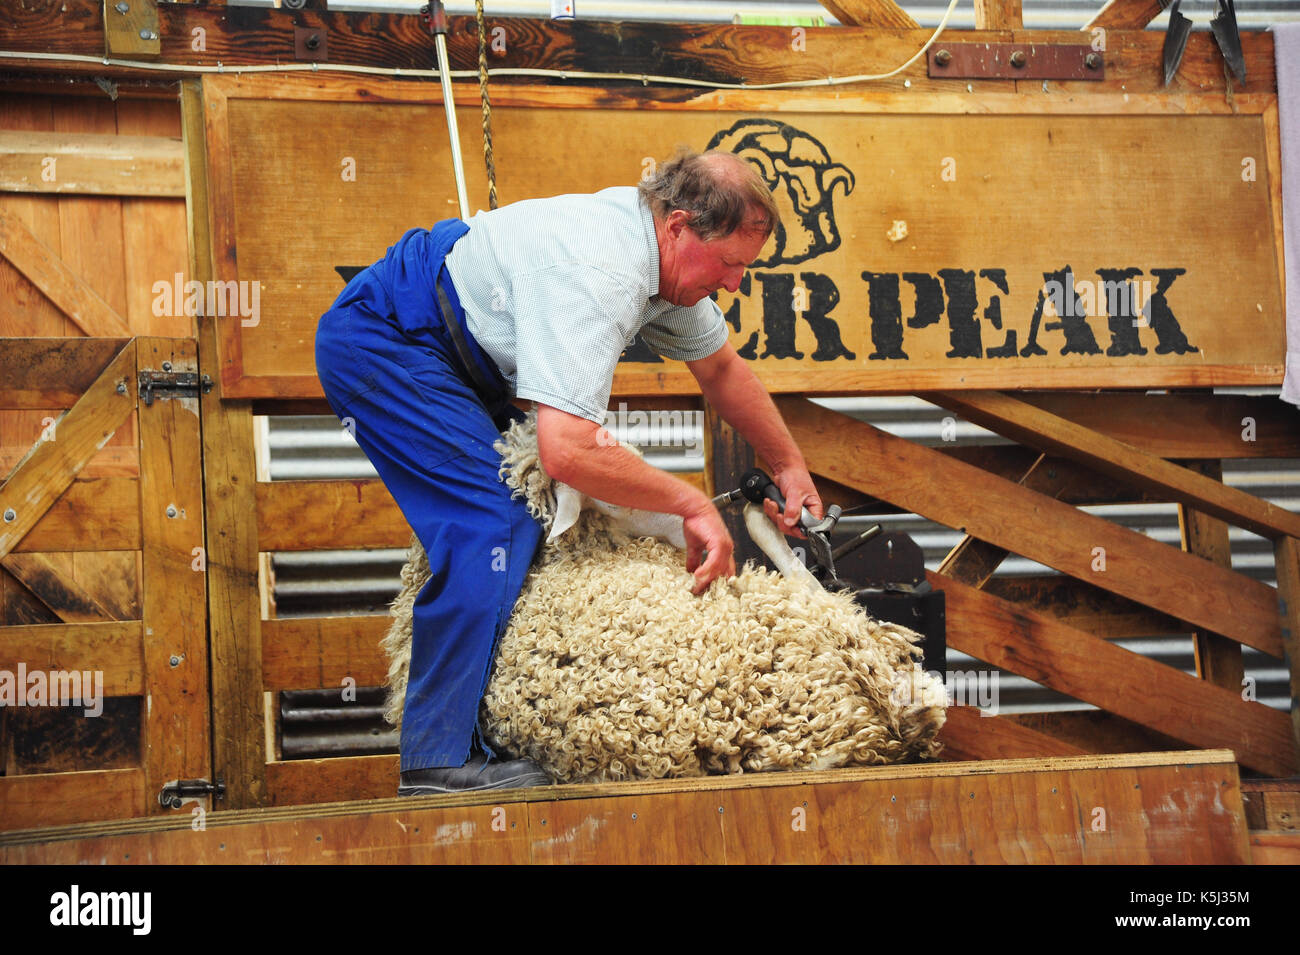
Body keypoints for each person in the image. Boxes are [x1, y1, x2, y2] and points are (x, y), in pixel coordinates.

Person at [314, 148, 823, 795]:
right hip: (388, 341)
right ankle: (437, 757)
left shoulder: (665, 271)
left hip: (452, 353)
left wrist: (789, 464)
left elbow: (722, 370)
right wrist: (691, 505)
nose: (734, 285)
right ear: (678, 227)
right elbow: (567, 450)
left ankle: (494, 725)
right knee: (493, 517)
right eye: (729, 265)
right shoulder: (601, 267)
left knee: (536, 516)